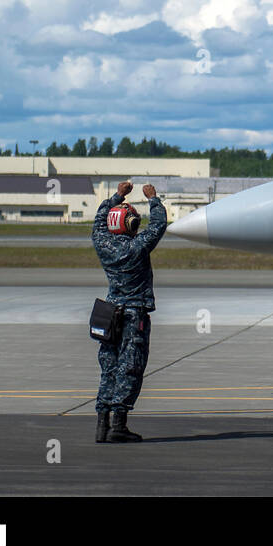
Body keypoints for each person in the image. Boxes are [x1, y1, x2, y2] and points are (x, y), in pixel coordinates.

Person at [91, 180, 167, 443]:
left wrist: (116, 196)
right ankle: (119, 425)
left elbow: (98, 223)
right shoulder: (137, 247)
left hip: (110, 314)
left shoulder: (102, 243)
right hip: (134, 316)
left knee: (109, 367)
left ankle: (102, 424)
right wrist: (153, 199)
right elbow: (158, 226)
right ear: (132, 225)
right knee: (130, 368)